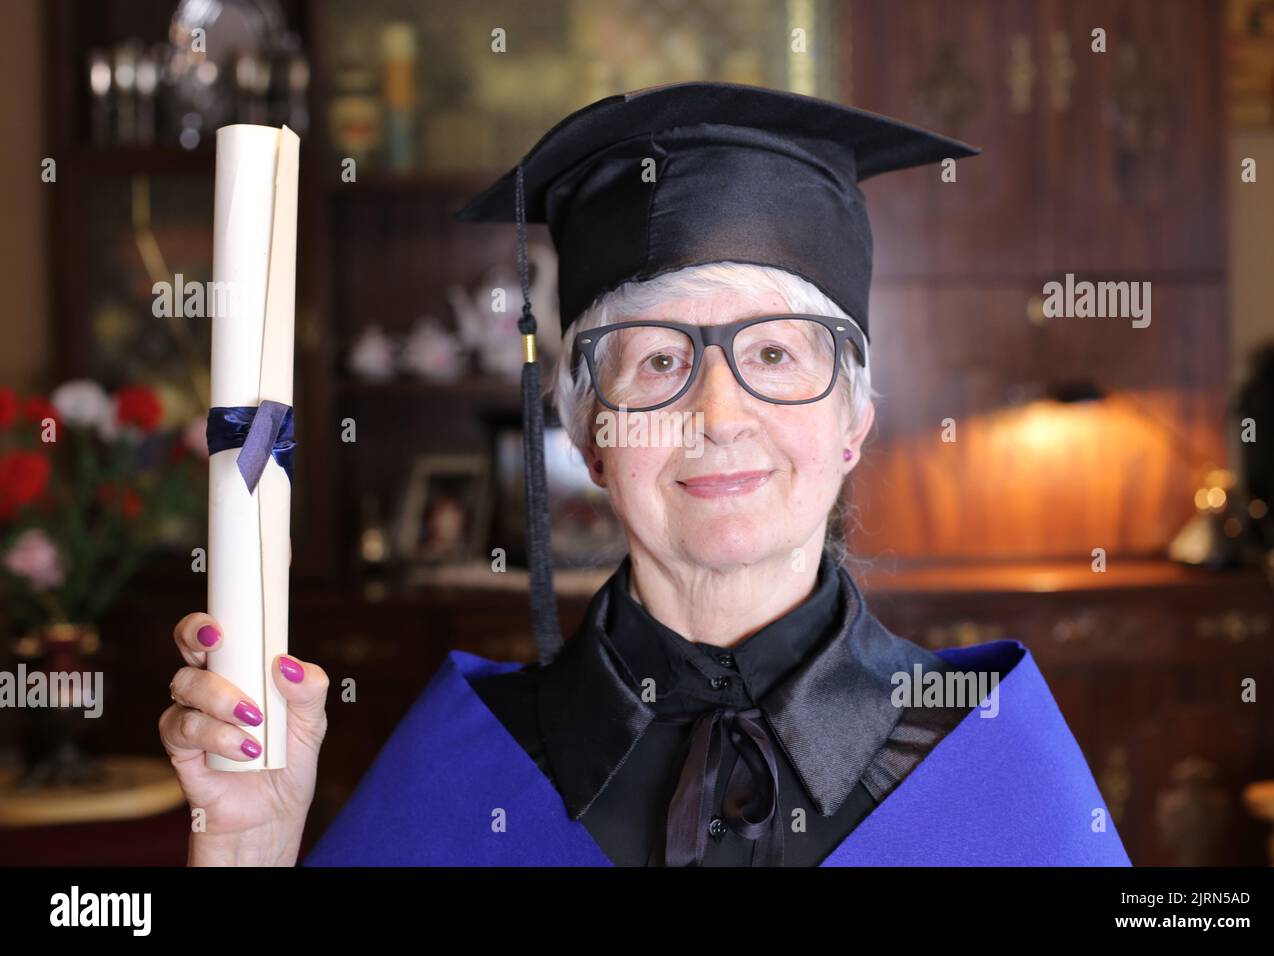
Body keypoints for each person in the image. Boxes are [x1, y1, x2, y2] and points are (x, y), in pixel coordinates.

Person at [161, 82, 1130, 866]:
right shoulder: (468, 764)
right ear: (587, 437)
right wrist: (248, 845)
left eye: (778, 355)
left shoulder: (986, 763)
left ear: (853, 423)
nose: (717, 414)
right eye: (658, 360)